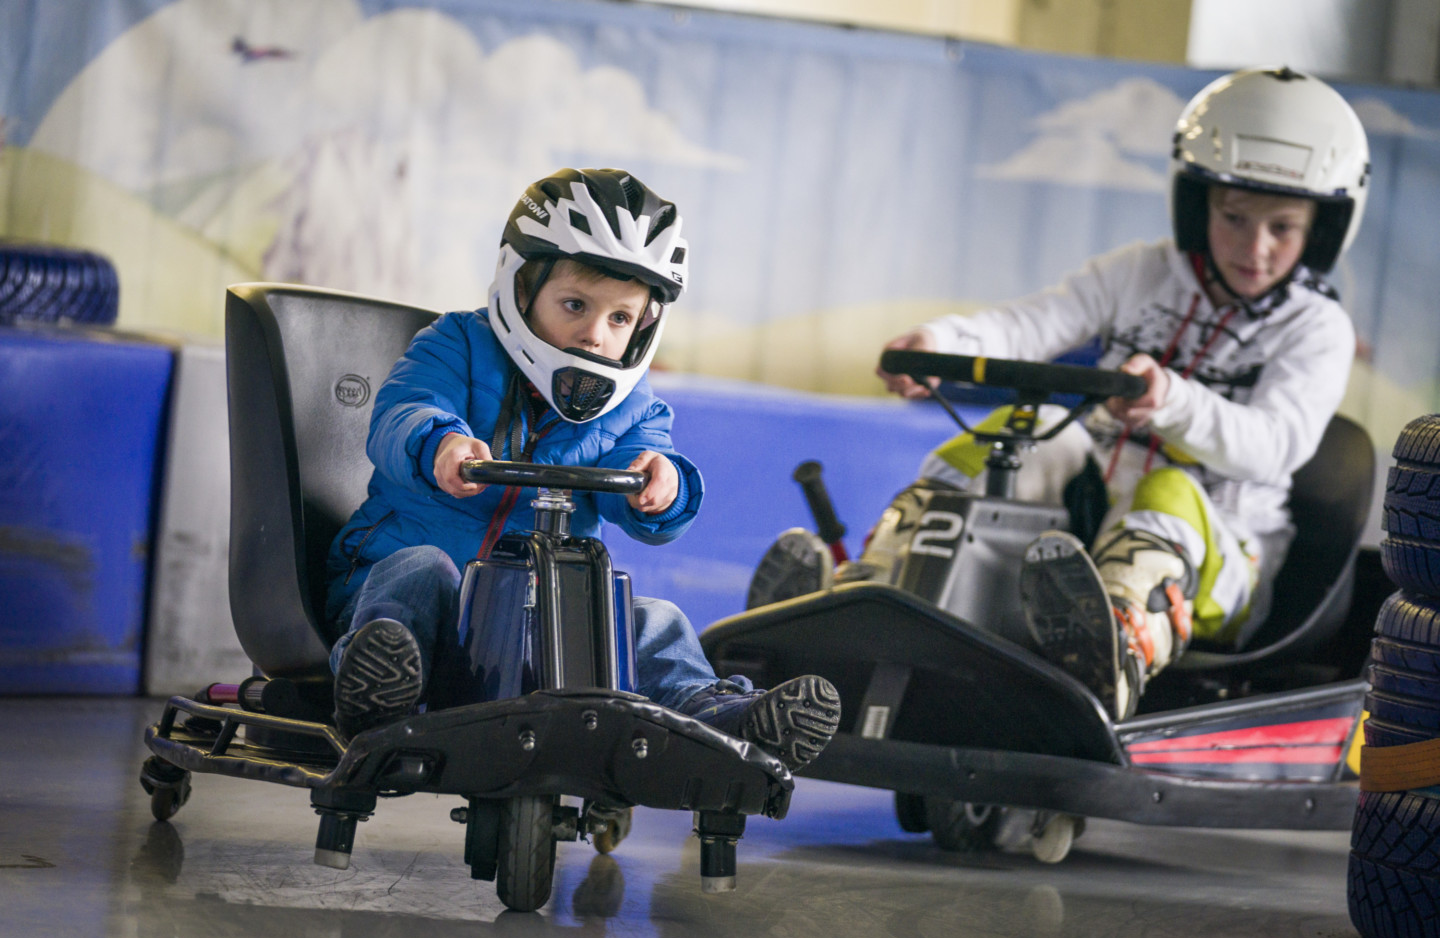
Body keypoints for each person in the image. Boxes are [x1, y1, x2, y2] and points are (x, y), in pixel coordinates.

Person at [876, 67, 1369, 720]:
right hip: (1079, 539)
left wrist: (1173, 402)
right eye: (1233, 218)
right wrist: (942, 341)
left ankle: (1111, 654)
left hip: (1225, 566)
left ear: (1323, 230)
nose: (1255, 248)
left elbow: (1273, 446)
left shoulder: (1318, 328)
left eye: (1282, 228)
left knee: (1169, 489)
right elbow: (1032, 325)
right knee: (1023, 432)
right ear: (1196, 204)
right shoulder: (1140, 272)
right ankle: (881, 586)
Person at [325, 167, 840, 772]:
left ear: (645, 324)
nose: (595, 335)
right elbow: (403, 410)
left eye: (620, 319)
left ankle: (718, 717)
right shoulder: (457, 343)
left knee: (655, 620)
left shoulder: (633, 406)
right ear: (521, 288)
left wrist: (663, 484)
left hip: (542, 620)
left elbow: (640, 470)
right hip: (419, 603)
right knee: (417, 571)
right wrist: (440, 442)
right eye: (575, 305)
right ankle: (379, 686)